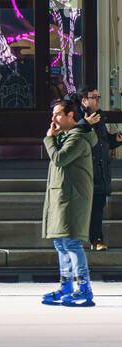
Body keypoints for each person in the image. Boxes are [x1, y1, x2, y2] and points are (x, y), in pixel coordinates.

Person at [41, 96, 97, 307]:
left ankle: (84, 288)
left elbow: (60, 159)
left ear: (70, 115)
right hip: (61, 197)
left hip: (72, 198)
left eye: (57, 114)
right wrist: (54, 138)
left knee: (72, 242)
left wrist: (49, 139)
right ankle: (66, 286)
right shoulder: (65, 136)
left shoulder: (77, 138)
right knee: (60, 242)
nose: (53, 118)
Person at [81, 87, 119, 251]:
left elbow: (104, 142)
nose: (97, 100)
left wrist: (116, 139)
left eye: (99, 96)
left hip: (101, 170)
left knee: (98, 208)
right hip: (86, 170)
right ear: (84, 100)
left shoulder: (99, 116)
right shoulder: (76, 115)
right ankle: (83, 239)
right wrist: (85, 123)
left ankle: (96, 239)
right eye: (94, 97)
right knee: (86, 209)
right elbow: (72, 134)